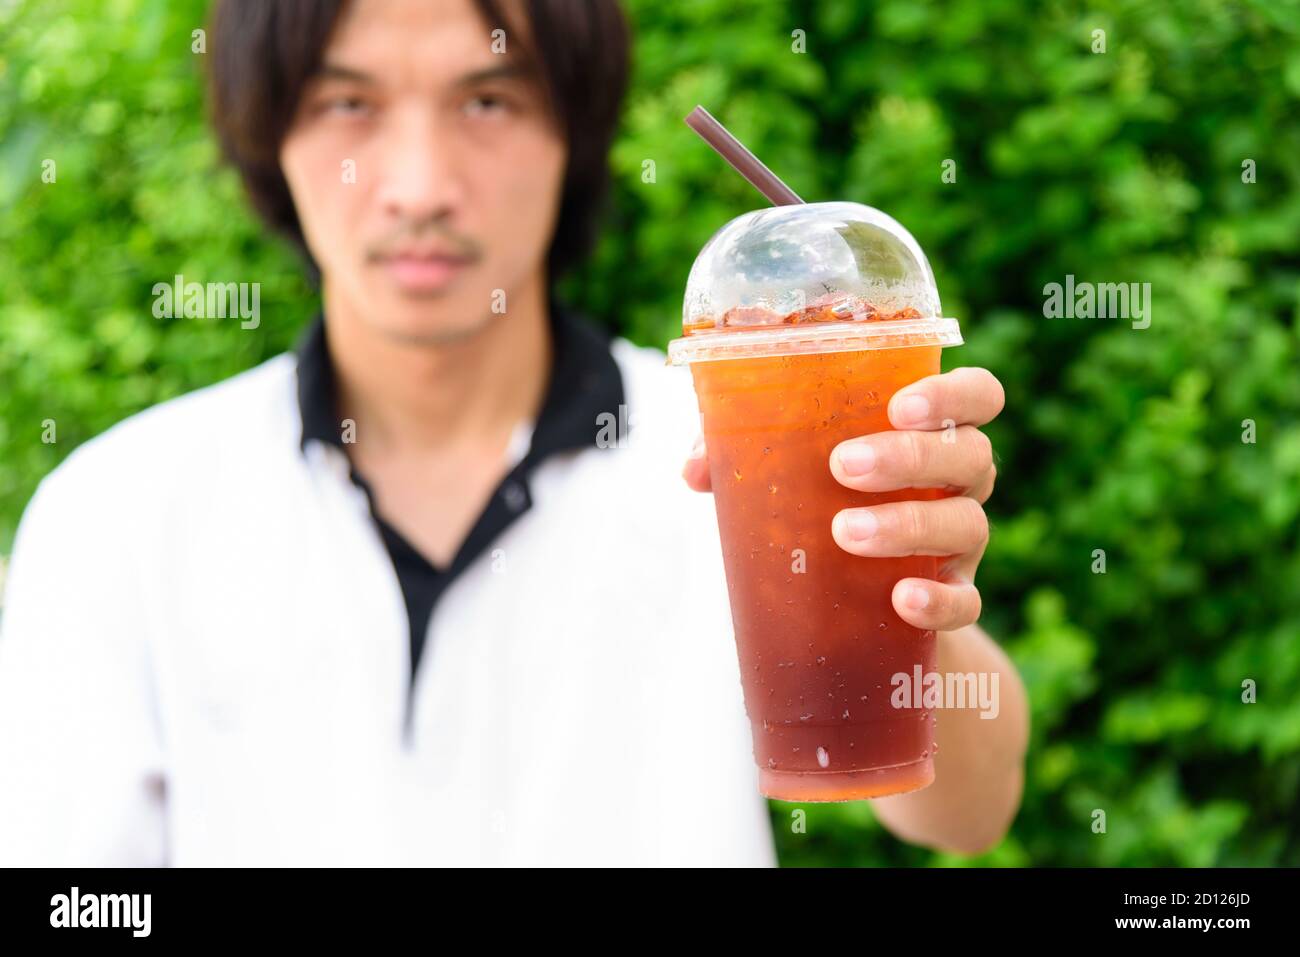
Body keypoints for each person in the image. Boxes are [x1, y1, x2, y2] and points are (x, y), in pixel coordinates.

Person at [0, 0, 1027, 866]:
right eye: (346, 102)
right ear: (272, 133)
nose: (419, 185)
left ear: (571, 130)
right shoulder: (120, 512)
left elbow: (967, 816)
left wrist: (909, 594)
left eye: (485, 100)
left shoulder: (735, 450)